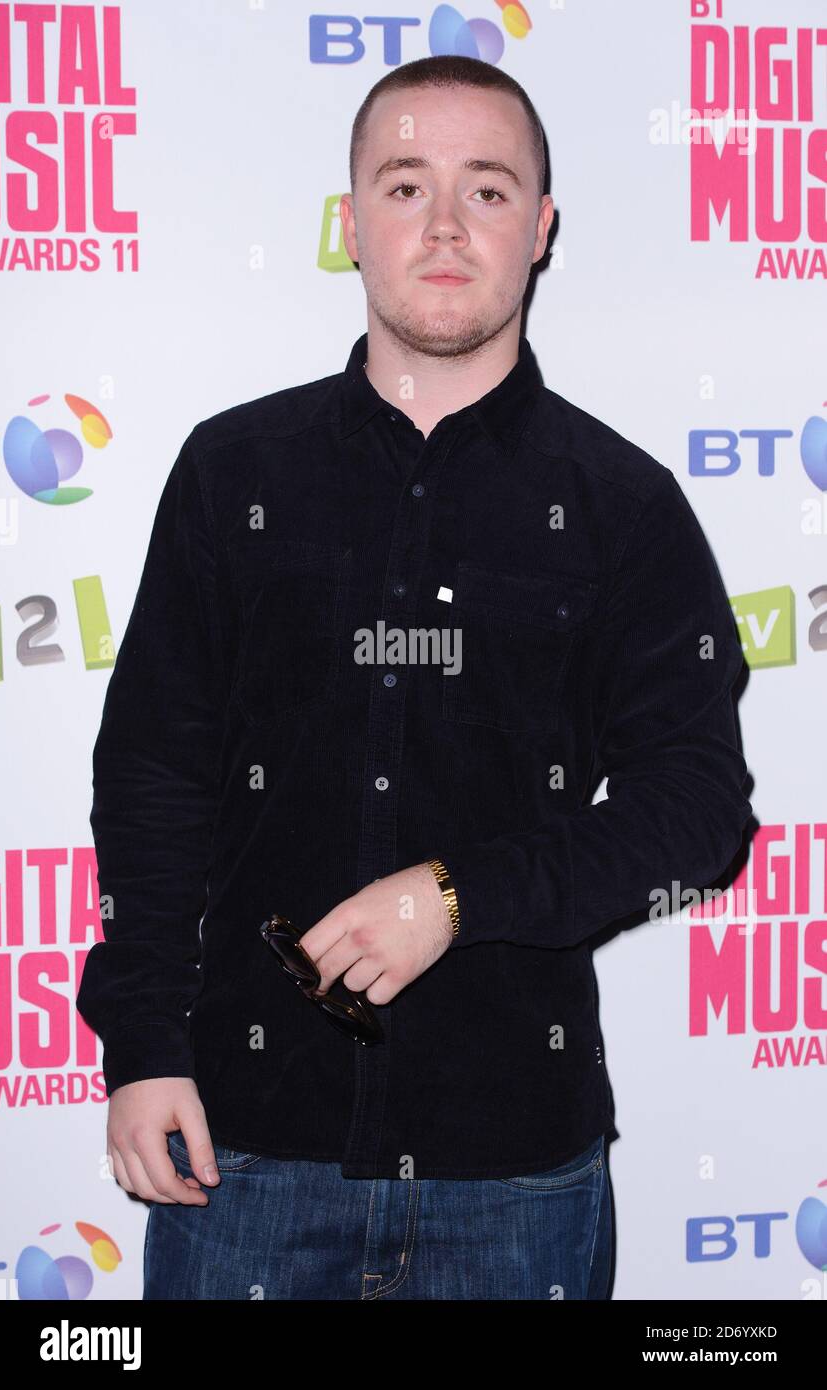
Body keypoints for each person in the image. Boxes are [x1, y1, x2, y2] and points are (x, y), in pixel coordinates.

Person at [76, 54, 752, 1301]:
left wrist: (457, 893)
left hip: (517, 1172)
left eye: (487, 191)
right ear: (350, 224)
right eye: (405, 186)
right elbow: (155, 776)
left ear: (541, 229)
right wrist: (143, 1044)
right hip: (247, 1151)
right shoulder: (233, 474)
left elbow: (700, 810)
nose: (444, 226)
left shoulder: (627, 510)